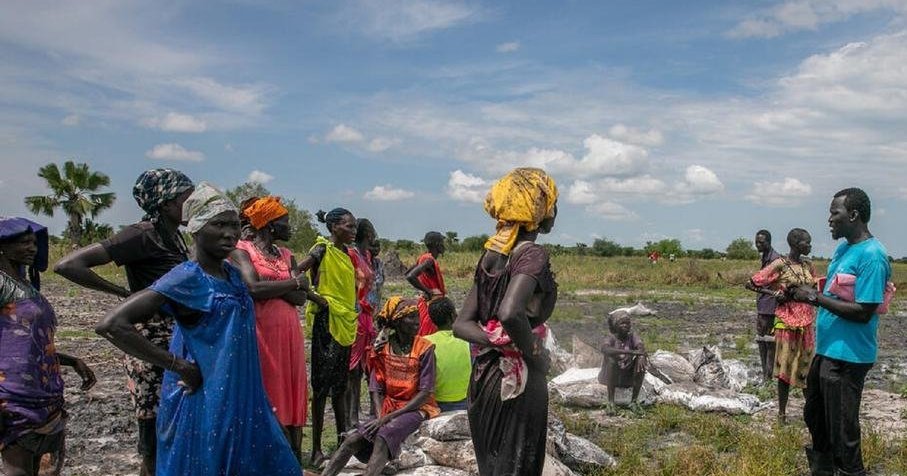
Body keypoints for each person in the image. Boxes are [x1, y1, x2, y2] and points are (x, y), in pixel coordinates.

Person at [96, 183, 301, 475]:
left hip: (243, 395)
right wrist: (178, 365)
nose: (229, 233)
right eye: (218, 225)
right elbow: (113, 324)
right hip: (205, 402)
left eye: (233, 225)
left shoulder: (231, 274)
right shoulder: (187, 277)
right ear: (195, 229)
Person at [53, 168, 193, 476]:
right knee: (155, 433)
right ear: (167, 202)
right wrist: (124, 294)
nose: (191, 204)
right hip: (148, 343)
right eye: (187, 198)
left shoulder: (176, 238)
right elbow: (68, 265)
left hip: (174, 337)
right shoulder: (142, 234)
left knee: (174, 429)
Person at [453, 167, 558, 476]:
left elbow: (462, 325)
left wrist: (497, 342)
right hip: (517, 381)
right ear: (538, 210)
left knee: (494, 467)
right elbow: (510, 312)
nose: (555, 211)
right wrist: (534, 354)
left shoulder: (491, 256)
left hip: (484, 376)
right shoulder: (532, 254)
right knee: (518, 467)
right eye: (552, 202)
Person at [788, 188, 890, 476]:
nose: (829, 219)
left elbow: (863, 311)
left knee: (843, 432)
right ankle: (823, 469)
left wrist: (814, 298)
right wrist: (804, 291)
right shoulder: (844, 249)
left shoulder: (873, 256)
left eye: (835, 212)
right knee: (815, 416)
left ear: (853, 215)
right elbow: (835, 290)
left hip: (849, 356)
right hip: (828, 350)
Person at [1, 217, 96, 476]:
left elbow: (31, 343)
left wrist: (71, 361)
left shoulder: (27, 286)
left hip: (45, 392)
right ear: (2, 247)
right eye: (23, 242)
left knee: (47, 469)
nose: (32, 248)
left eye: (33, 242)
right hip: (13, 396)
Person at [230, 196, 310, 463]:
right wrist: (292, 284)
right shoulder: (242, 250)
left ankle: (293, 457)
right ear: (270, 225)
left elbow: (302, 297)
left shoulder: (287, 255)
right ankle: (267, 455)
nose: (290, 227)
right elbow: (253, 289)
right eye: (285, 222)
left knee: (292, 388)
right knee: (269, 387)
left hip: (289, 333)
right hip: (261, 332)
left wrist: (279, 288)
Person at [321, 297, 439, 476]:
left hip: (416, 408)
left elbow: (425, 393)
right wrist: (379, 414)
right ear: (398, 321)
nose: (417, 322)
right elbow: (376, 387)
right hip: (388, 407)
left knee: (385, 433)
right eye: (411, 317)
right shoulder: (383, 347)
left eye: (417, 317)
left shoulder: (424, 348)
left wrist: (387, 418)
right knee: (352, 439)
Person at [298, 208, 359, 467]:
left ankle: (343, 441)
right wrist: (318, 300)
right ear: (334, 227)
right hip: (327, 322)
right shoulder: (321, 249)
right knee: (321, 387)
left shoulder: (346, 253)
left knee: (340, 385)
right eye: (349, 226)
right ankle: (315, 450)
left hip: (344, 321)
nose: (353, 231)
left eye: (355, 227)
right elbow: (297, 273)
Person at [748, 228, 818, 424]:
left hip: (807, 324)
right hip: (786, 322)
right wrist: (775, 295)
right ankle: (782, 414)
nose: (810, 246)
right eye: (806, 242)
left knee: (806, 368)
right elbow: (753, 283)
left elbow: (814, 288)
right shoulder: (780, 264)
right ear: (796, 243)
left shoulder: (808, 265)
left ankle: (811, 414)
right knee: (785, 370)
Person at [345, 218, 377, 428]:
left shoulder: (366, 255)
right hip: (356, 314)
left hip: (368, 315)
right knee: (353, 368)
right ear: (369, 234)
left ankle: (361, 413)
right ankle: (351, 416)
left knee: (368, 365)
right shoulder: (351, 255)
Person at [424, 297, 471, 412]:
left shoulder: (425, 342)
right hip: (467, 401)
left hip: (437, 404)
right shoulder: (467, 338)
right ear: (452, 316)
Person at [597, 311, 647, 412]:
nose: (625, 326)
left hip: (626, 379)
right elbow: (605, 349)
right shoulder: (611, 338)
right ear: (616, 326)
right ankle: (611, 402)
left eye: (627, 323)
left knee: (641, 359)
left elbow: (641, 348)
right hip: (609, 377)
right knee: (612, 359)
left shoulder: (632, 336)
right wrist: (629, 352)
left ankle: (633, 401)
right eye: (622, 323)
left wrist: (640, 356)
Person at [753, 229, 782, 382]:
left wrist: (755, 286)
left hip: (770, 306)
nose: (758, 245)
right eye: (756, 242)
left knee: (769, 342)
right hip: (763, 305)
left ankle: (768, 378)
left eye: (761, 242)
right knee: (761, 340)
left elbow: (768, 282)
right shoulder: (765, 257)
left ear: (769, 243)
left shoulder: (775, 260)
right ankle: (766, 376)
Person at [406, 231, 446, 336]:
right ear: (437, 244)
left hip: (426, 303)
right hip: (431, 305)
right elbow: (411, 276)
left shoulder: (423, 258)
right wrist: (428, 290)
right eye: (442, 242)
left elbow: (407, 273)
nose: (443, 245)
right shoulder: (429, 260)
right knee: (429, 337)